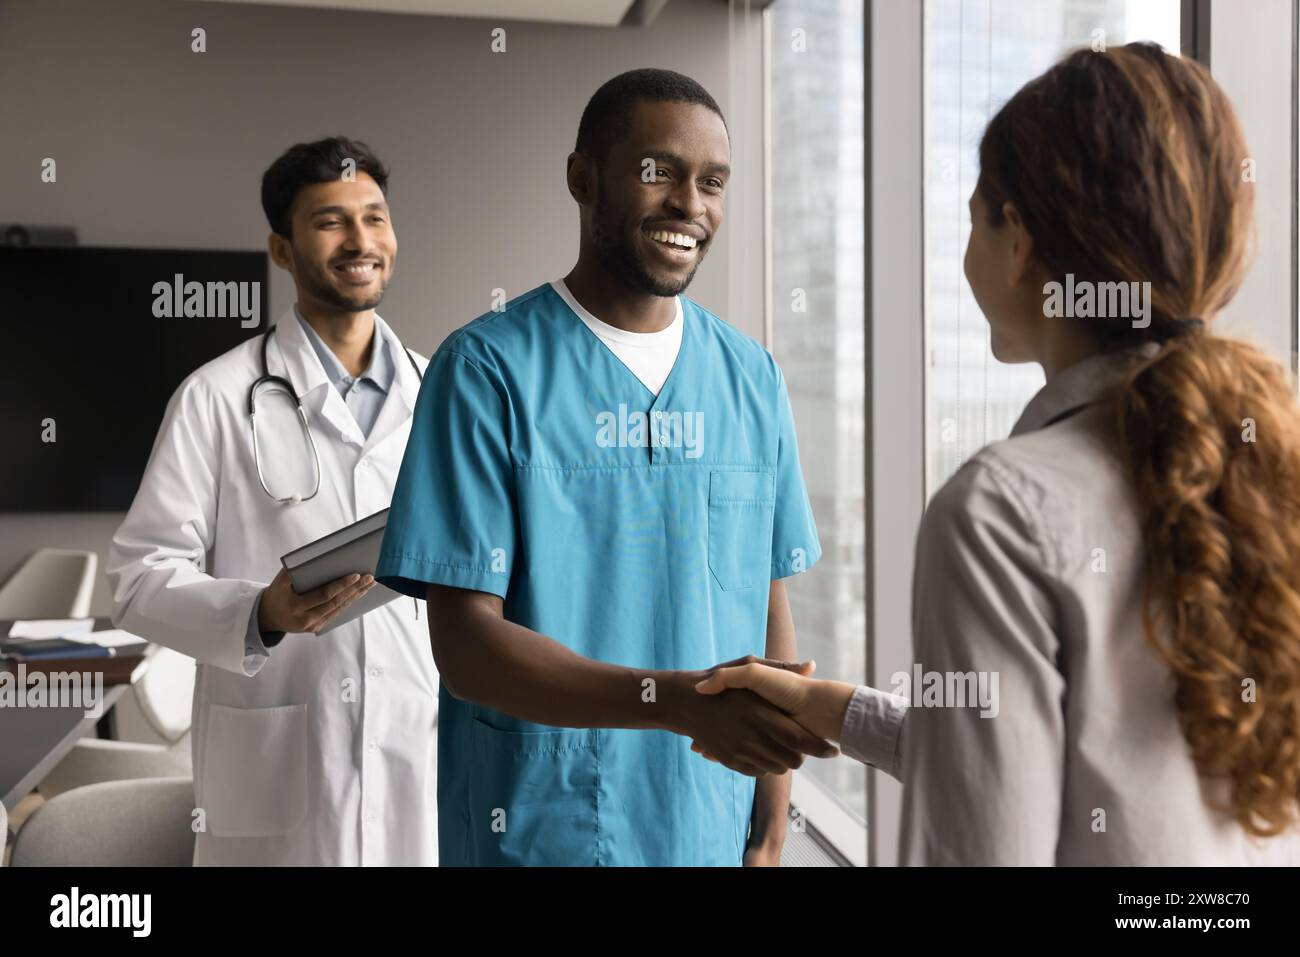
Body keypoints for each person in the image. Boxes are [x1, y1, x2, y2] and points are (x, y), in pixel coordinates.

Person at [697, 42, 1300, 866]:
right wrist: (825, 706)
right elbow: (1060, 770)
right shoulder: (1270, 464)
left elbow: (986, 835)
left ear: (1017, 241)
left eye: (975, 214)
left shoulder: (1001, 511)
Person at [375, 69, 832, 867]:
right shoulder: (486, 370)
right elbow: (467, 644)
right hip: (538, 830)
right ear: (583, 179)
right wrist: (674, 702)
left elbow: (767, 597)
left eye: (713, 182)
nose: (690, 203)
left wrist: (771, 823)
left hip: (706, 828)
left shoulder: (750, 377)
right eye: (659, 171)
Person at [107, 137, 439, 865]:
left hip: (418, 756)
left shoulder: (444, 391)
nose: (361, 241)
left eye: (374, 217)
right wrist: (262, 612)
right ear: (281, 250)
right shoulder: (216, 397)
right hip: (279, 772)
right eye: (330, 221)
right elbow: (135, 580)